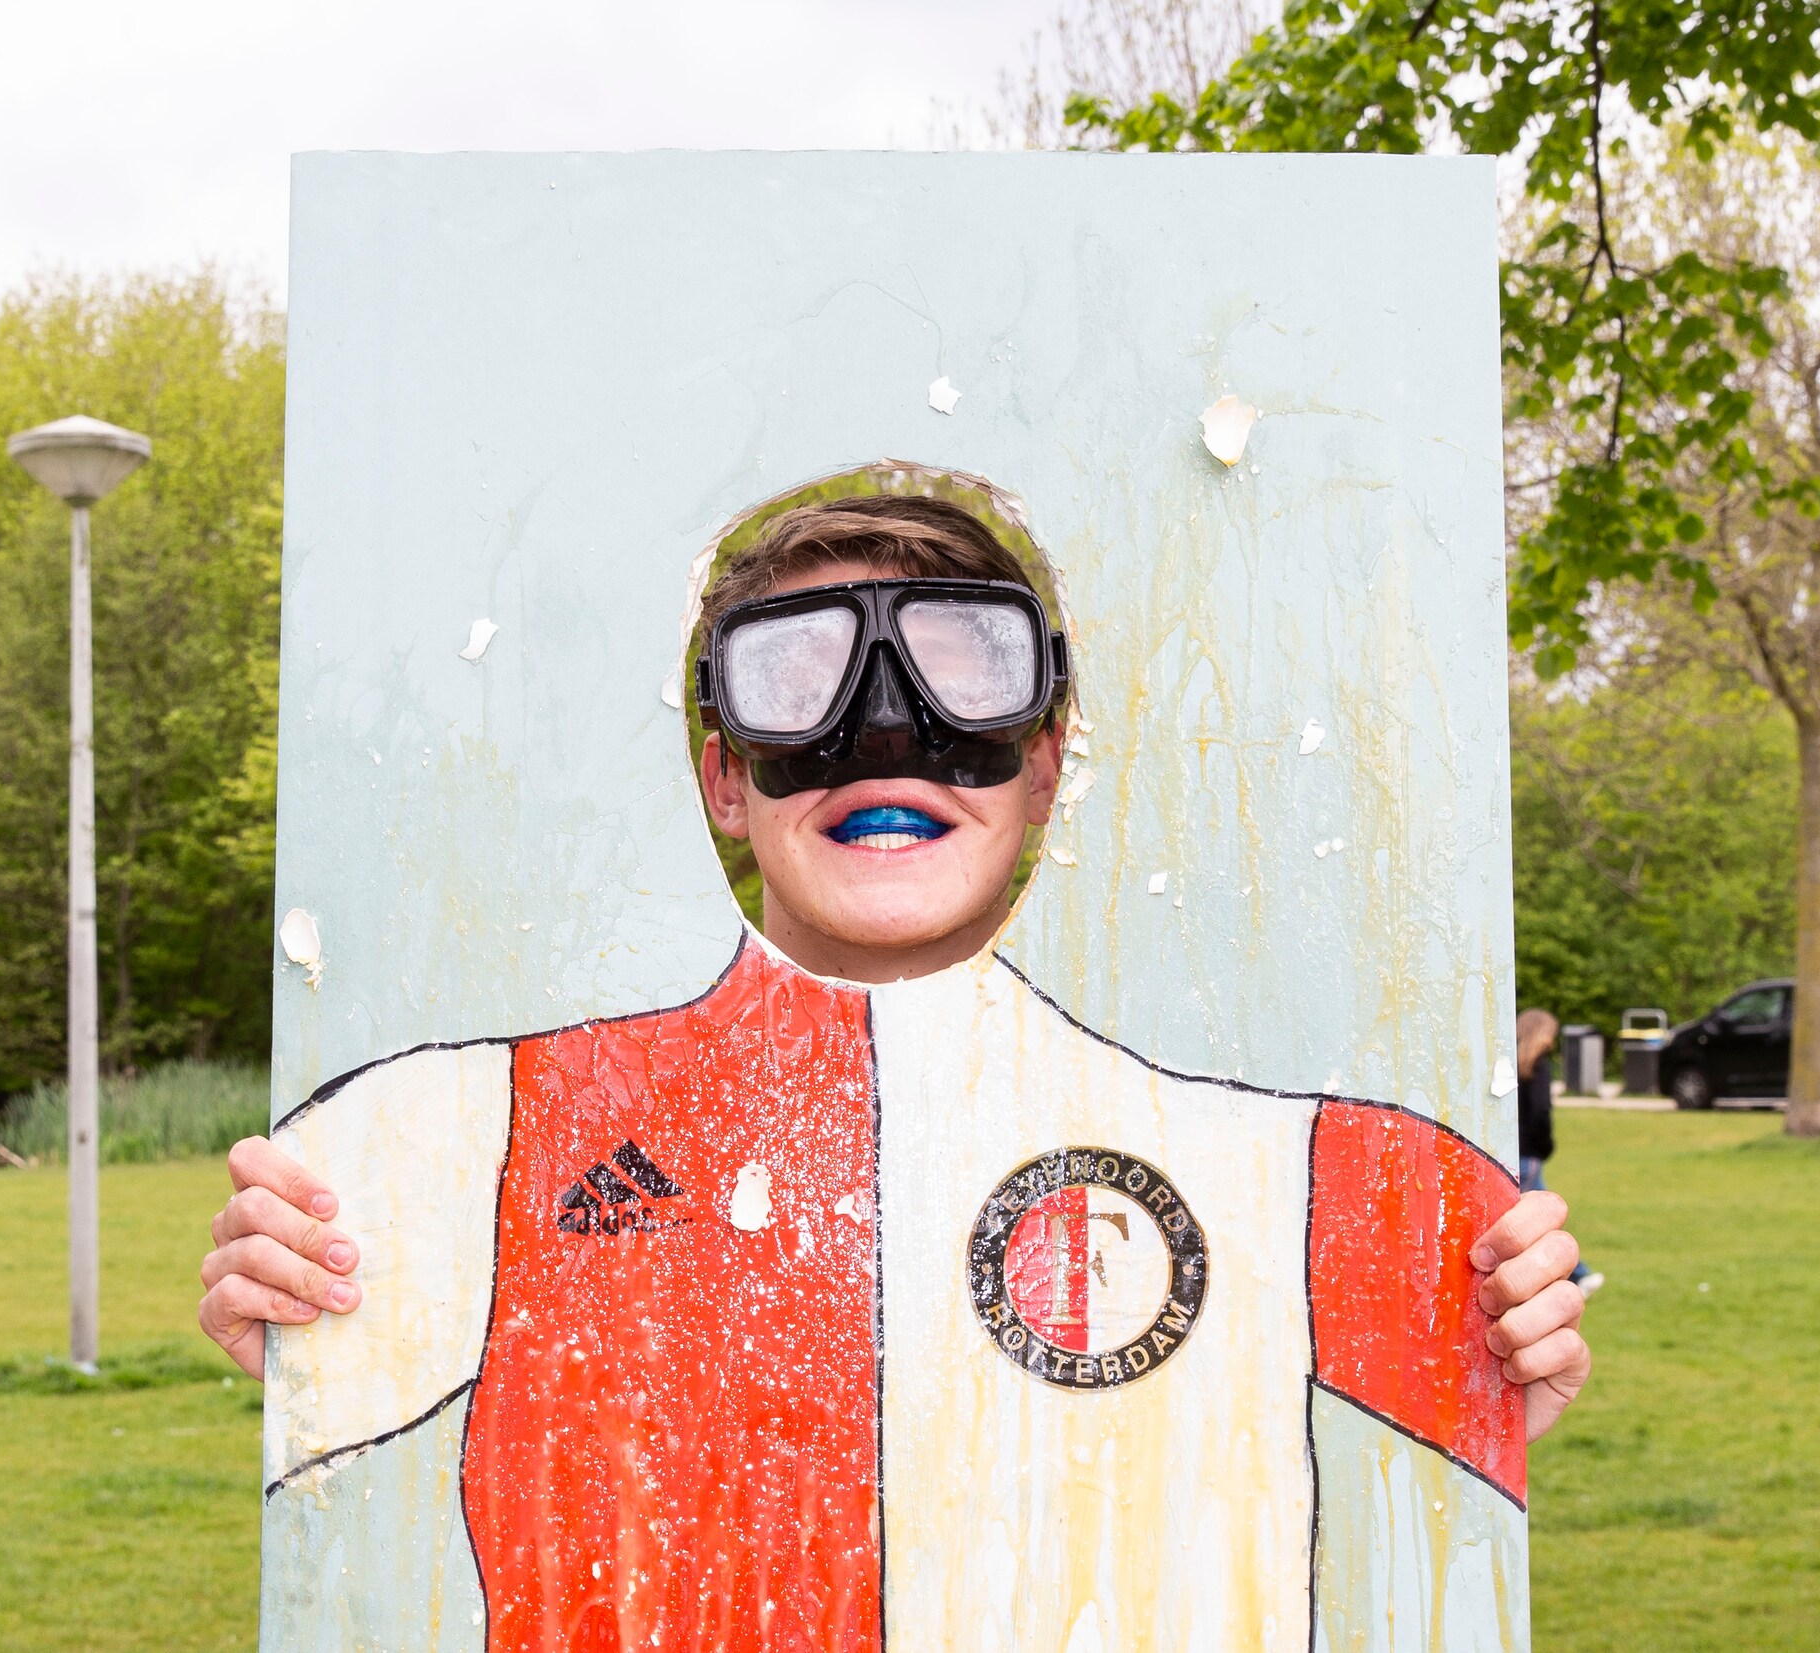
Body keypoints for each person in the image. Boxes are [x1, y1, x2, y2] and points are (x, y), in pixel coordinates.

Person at [203, 496, 1593, 1637]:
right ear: (722, 781)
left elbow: (1493, 1412)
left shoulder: (1295, 1164)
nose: (883, 729)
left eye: (963, 668)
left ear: (1050, 765)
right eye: (798, 678)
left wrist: (1522, 1339)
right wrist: (276, 1300)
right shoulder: (478, 1126)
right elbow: (310, 1395)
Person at [1516, 1006, 1604, 1296]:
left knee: (1539, 1217)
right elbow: (1541, 1111)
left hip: (1506, 1153)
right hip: (1529, 1154)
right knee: (1536, 1222)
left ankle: (1575, 1274)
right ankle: (1576, 1275)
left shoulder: (1506, 1064)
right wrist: (1545, 1146)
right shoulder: (1538, 1065)